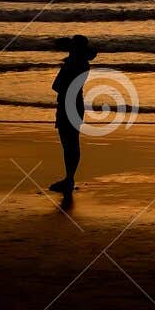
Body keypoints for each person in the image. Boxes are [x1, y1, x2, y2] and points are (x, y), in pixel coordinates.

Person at [49, 34, 97, 194]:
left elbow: (57, 85)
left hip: (68, 104)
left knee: (68, 143)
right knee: (71, 142)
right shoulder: (82, 64)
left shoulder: (73, 64)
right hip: (75, 103)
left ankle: (69, 179)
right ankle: (69, 177)